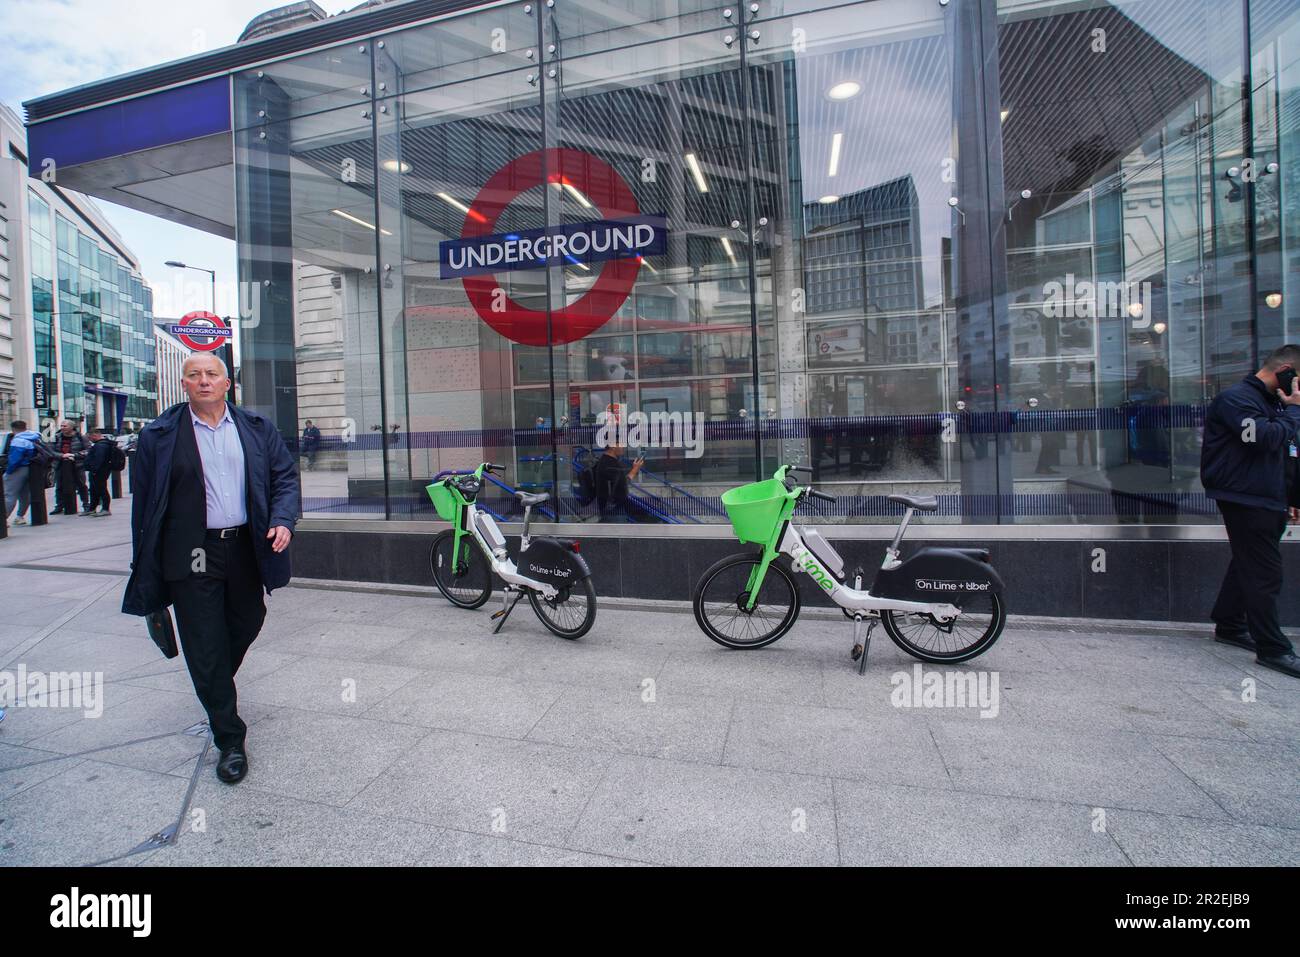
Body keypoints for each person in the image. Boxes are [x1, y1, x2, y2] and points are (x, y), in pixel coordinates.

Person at [122, 352, 300, 783]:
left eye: (212, 374)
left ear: (227, 382)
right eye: (194, 375)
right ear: (183, 384)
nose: (203, 381)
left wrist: (282, 519)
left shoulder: (256, 429)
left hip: (243, 546)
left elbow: (285, 478)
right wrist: (143, 566)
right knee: (203, 640)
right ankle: (230, 737)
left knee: (248, 619)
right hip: (191, 551)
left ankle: (214, 682)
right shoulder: (160, 435)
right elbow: (144, 508)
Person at [1200, 344, 1300, 678]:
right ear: (1285, 370)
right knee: (1264, 572)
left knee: (1249, 563)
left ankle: (1229, 623)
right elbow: (1262, 438)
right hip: (1245, 497)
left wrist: (1292, 495)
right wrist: (1295, 411)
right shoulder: (1236, 399)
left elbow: (1286, 453)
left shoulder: (1274, 402)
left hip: (1268, 497)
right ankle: (1273, 648)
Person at [3, 422, 50, 526]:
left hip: (18, 469)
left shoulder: (18, 440)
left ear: (13, 429)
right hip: (32, 468)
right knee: (25, 495)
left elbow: (15, 459)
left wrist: (8, 471)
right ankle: (20, 516)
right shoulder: (34, 437)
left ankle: (2, 519)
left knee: (9, 494)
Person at [593, 444, 647, 521]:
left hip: (613, 506)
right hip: (613, 509)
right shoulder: (609, 464)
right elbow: (622, 484)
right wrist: (635, 469)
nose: (623, 447)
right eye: (621, 444)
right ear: (612, 446)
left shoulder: (609, 460)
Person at [50, 419, 90, 515]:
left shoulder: (81, 437)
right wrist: (62, 456)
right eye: (61, 426)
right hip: (60, 465)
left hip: (77, 465)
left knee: (81, 485)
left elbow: (88, 449)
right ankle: (59, 505)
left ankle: (86, 504)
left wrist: (75, 455)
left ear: (72, 427)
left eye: (65, 426)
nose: (62, 428)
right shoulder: (56, 437)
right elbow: (50, 451)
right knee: (59, 486)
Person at [84, 427, 116, 517]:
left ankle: (105, 509)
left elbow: (99, 459)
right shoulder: (102, 444)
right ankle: (92, 508)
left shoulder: (101, 445)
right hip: (98, 471)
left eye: (90, 438)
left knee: (101, 490)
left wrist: (94, 469)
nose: (90, 440)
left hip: (99, 471)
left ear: (94, 435)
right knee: (94, 490)